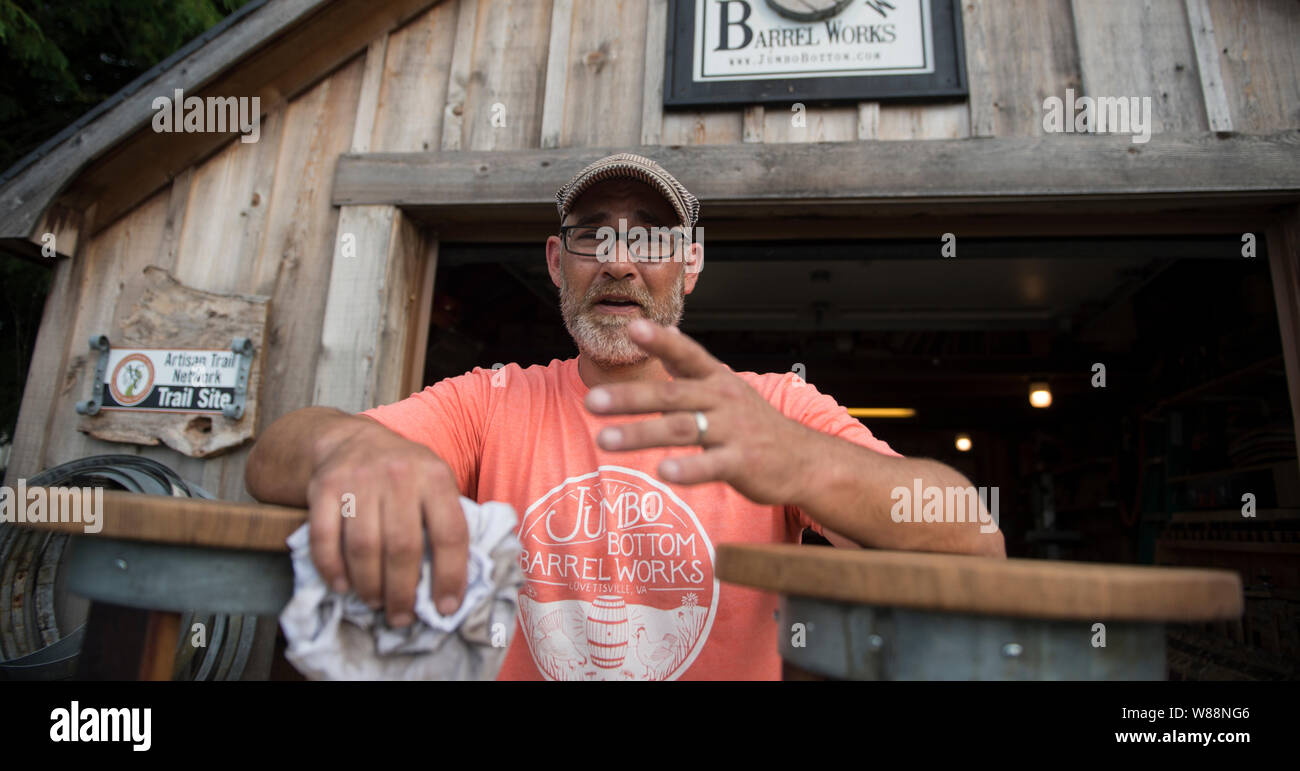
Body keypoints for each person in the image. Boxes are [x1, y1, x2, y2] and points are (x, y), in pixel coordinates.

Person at [247, 152, 1005, 680]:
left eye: (649, 234)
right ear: (556, 261)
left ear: (691, 264)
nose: (618, 259)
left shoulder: (772, 408)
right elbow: (271, 458)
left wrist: (801, 460)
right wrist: (352, 449)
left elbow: (972, 537)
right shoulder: (490, 401)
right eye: (592, 234)